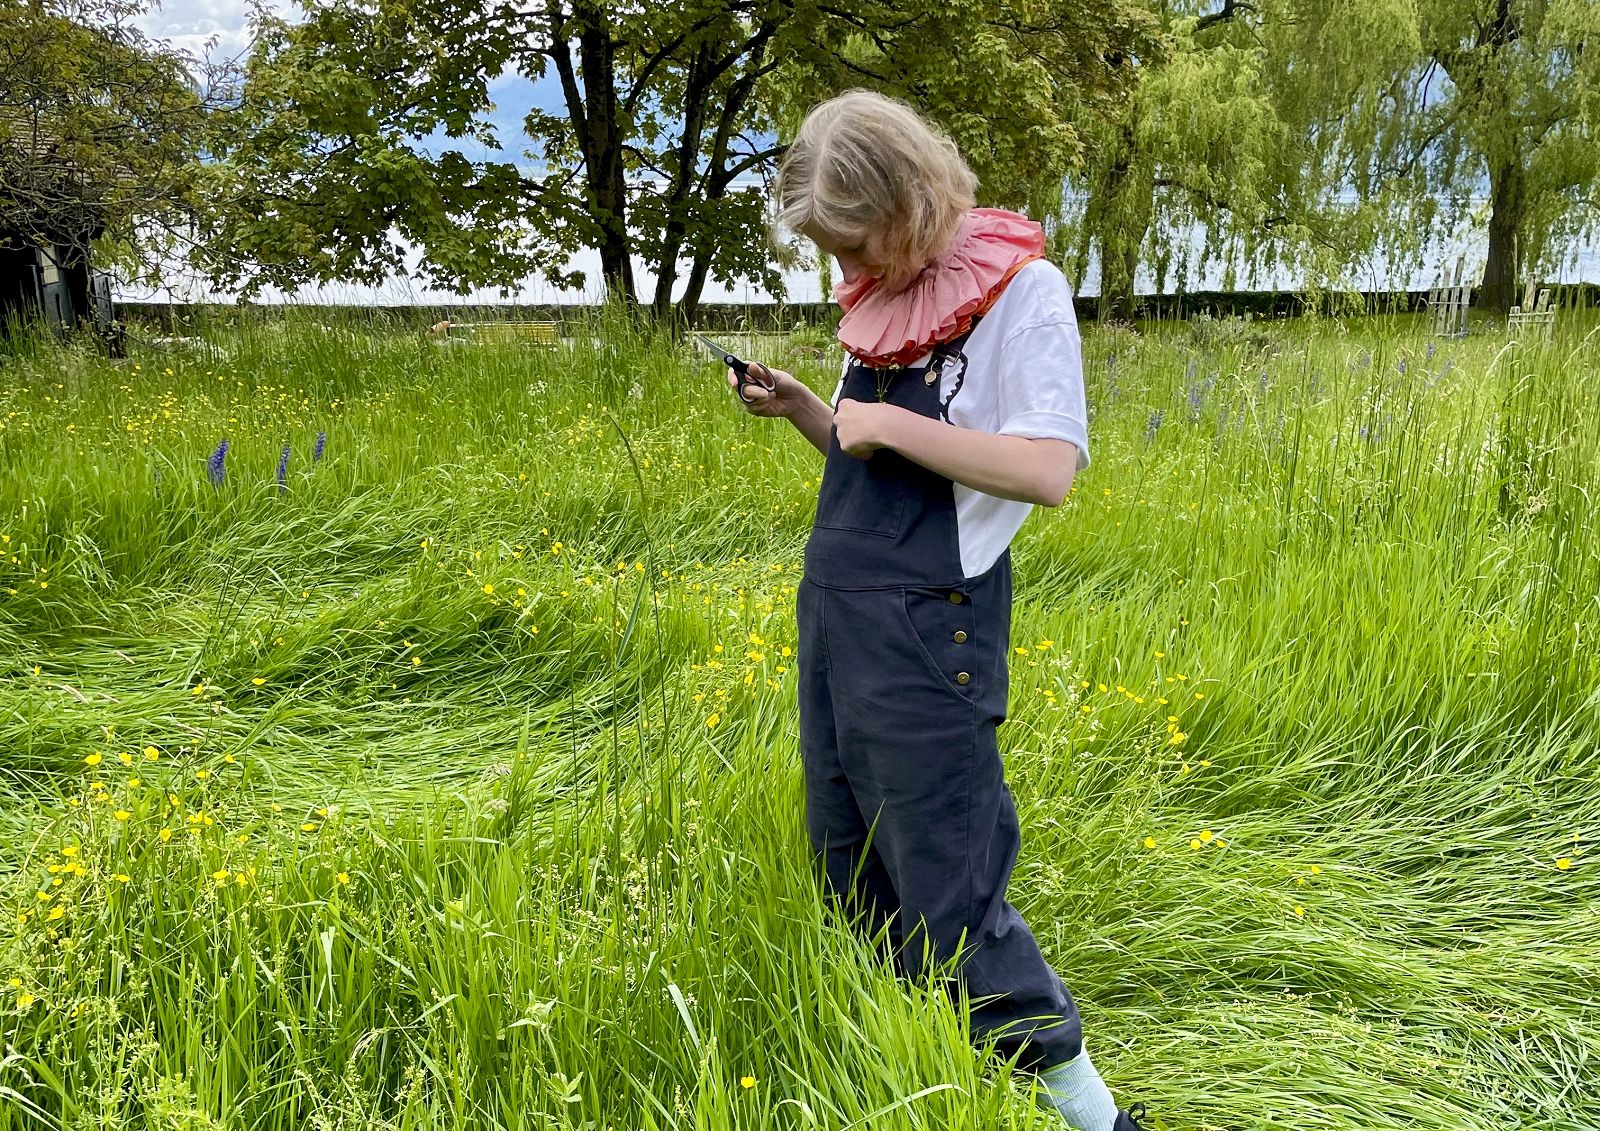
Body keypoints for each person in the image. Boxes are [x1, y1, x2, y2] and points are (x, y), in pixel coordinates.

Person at [726, 90, 1147, 1131]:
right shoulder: (881, 295)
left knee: (947, 878)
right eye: (837, 250)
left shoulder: (1023, 290)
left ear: (910, 199)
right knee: (849, 859)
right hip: (837, 608)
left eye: (860, 240)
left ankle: (1092, 1117)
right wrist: (812, 415)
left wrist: (882, 427)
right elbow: (868, 449)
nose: (852, 266)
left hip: (929, 622)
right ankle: (911, 1072)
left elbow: (1047, 469)